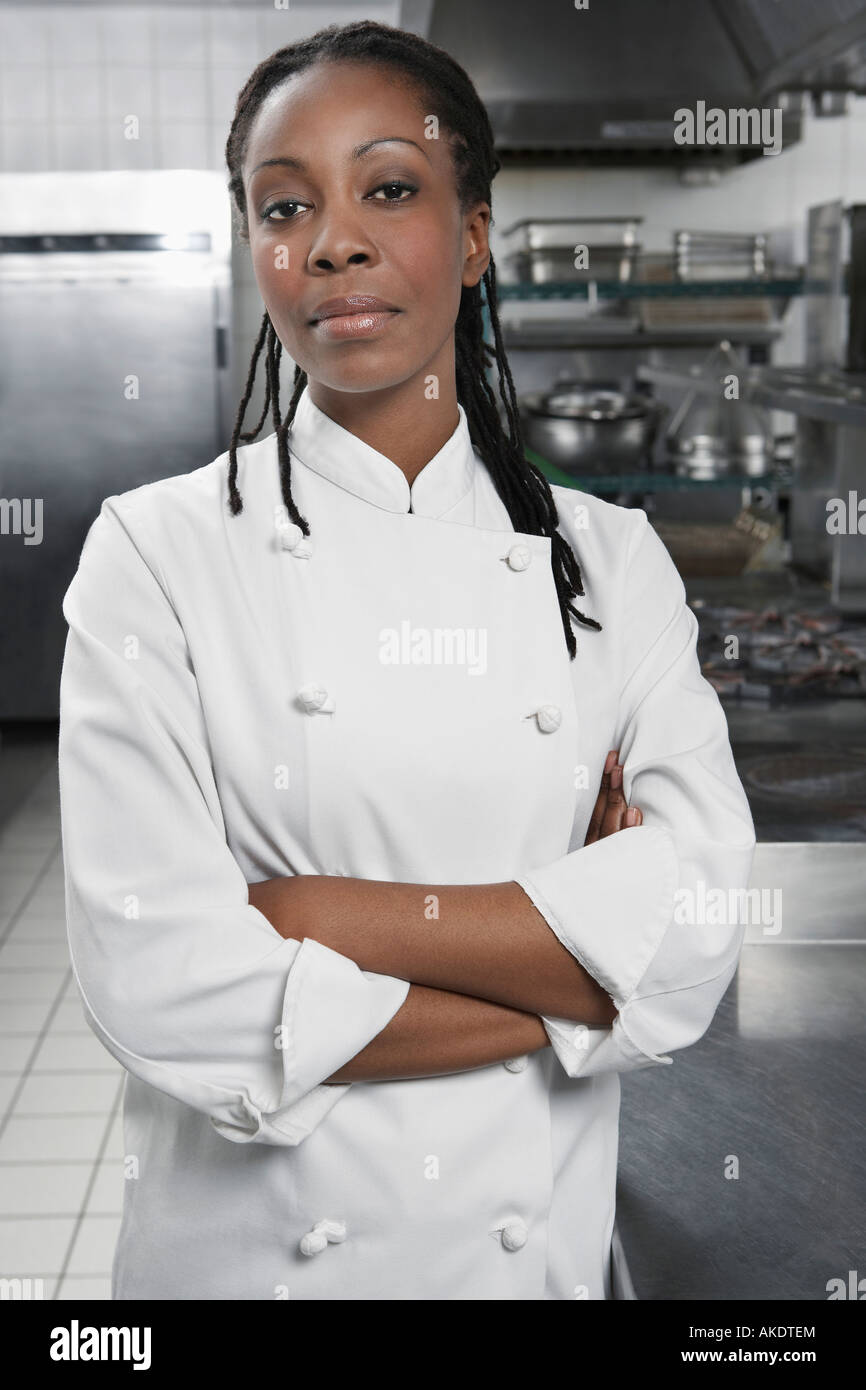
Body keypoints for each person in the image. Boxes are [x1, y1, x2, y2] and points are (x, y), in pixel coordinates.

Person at [57, 20, 756, 1301]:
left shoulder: (605, 560)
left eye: (388, 187)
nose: (332, 241)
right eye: (284, 206)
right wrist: (585, 982)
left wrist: (322, 918)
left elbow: (698, 929)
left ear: (475, 233)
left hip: (522, 1267)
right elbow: (169, 983)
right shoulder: (153, 556)